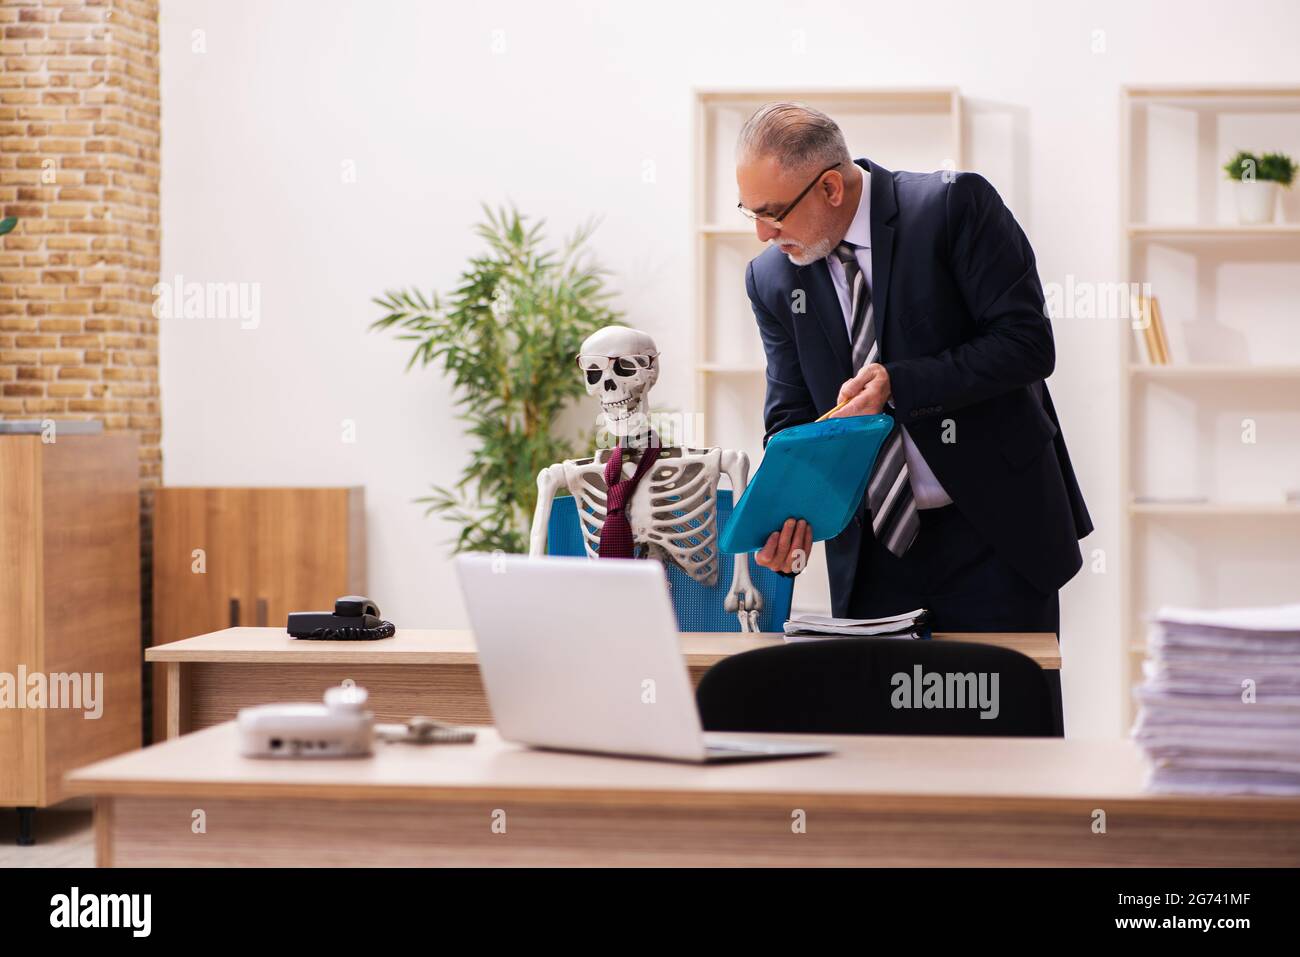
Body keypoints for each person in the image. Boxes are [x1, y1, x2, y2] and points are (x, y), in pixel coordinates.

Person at [738, 102, 1092, 644]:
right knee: (889, 726)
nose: (763, 232)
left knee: (1009, 724)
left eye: (774, 212)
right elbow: (791, 415)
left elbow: (1025, 345)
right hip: (874, 558)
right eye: (750, 210)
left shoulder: (953, 206)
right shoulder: (771, 279)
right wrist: (790, 515)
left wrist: (897, 383)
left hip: (995, 538)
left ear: (831, 188)